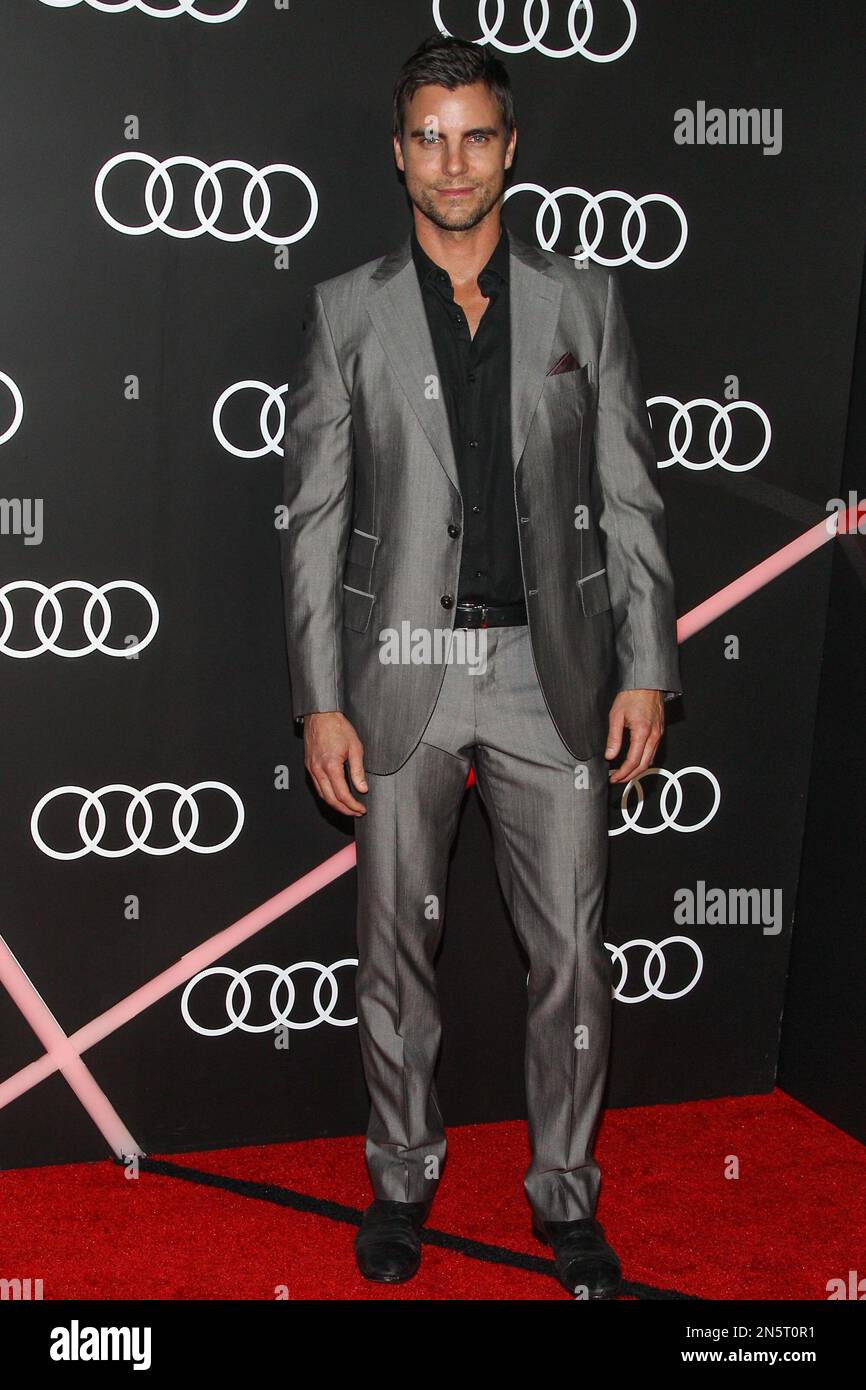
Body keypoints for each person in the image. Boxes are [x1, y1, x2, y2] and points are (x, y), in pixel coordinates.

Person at [280, 33, 682, 1298]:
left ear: (509, 147)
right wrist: (318, 698)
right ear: (399, 154)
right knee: (394, 945)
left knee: (567, 948)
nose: (452, 162)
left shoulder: (583, 303)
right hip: (397, 670)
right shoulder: (347, 311)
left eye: (475, 135)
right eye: (427, 137)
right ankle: (400, 1179)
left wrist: (644, 663)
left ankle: (566, 1199)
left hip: (544, 671)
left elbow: (628, 498)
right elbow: (312, 519)